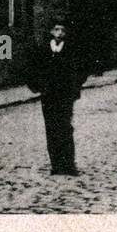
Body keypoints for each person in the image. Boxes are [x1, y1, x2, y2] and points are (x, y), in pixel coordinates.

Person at [26, 19, 86, 176]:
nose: (60, 32)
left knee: (65, 128)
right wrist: (38, 87)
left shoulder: (72, 51)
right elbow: (31, 69)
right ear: (51, 32)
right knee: (51, 129)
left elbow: (82, 71)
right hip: (49, 96)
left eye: (62, 30)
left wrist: (75, 88)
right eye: (57, 29)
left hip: (65, 96)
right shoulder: (43, 50)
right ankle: (56, 165)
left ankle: (69, 165)